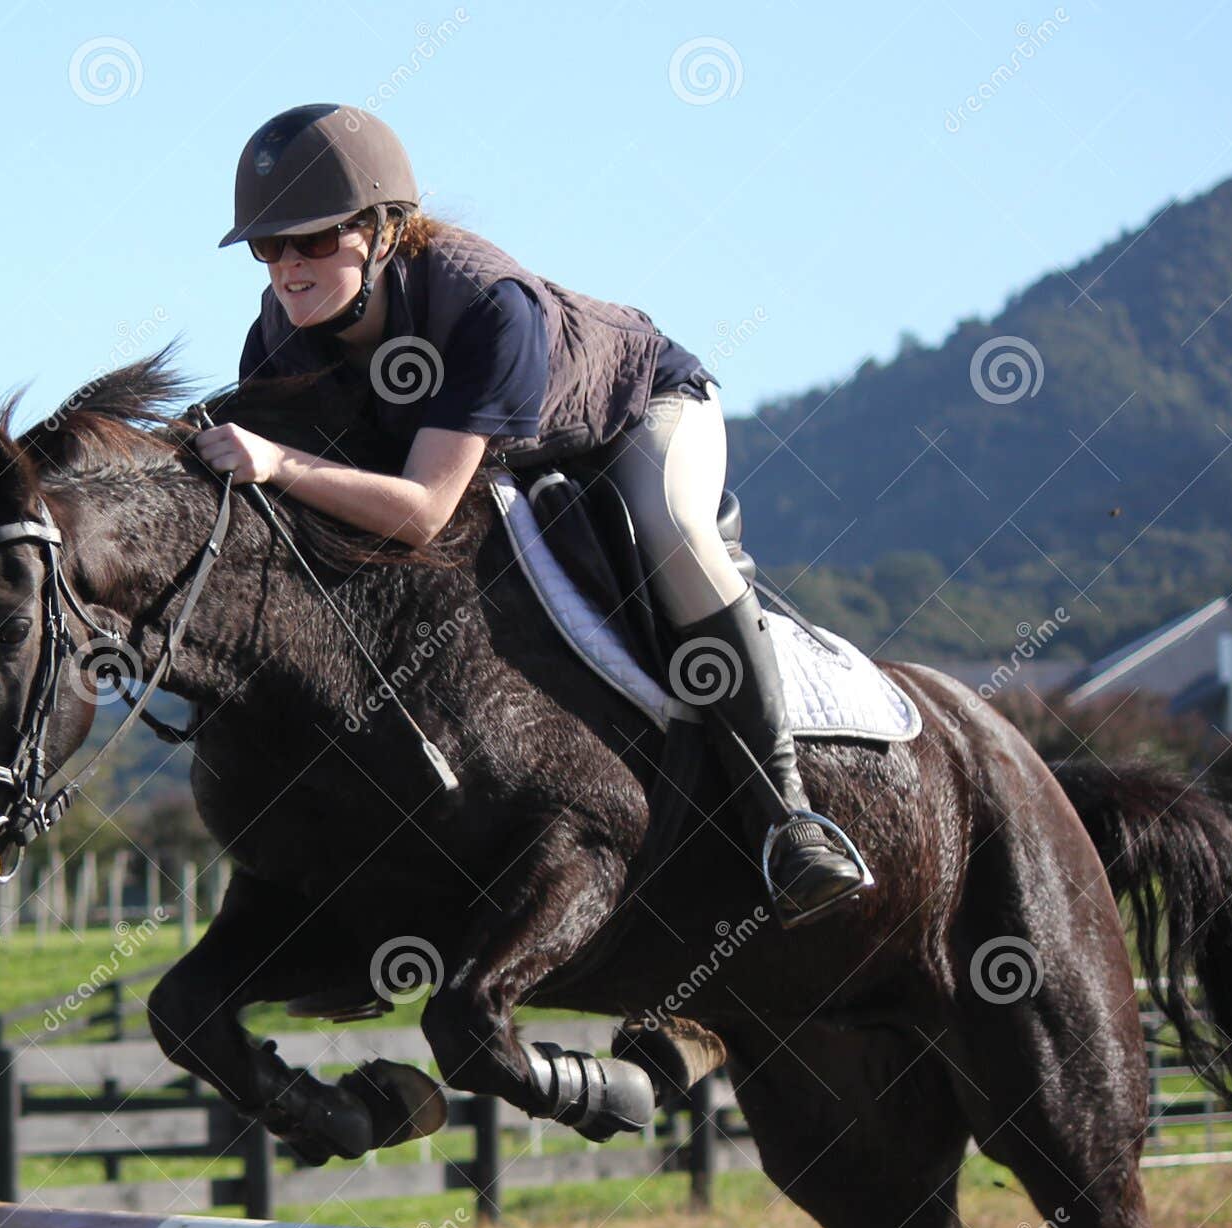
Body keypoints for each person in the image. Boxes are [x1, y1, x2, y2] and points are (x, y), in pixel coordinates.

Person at [195, 103, 866, 925]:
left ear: (381, 230)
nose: (288, 267)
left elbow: (420, 513)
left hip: (635, 410)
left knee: (674, 535)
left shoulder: (485, 304)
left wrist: (277, 460)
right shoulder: (277, 340)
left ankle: (788, 816)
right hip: (504, 454)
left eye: (314, 240)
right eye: (269, 247)